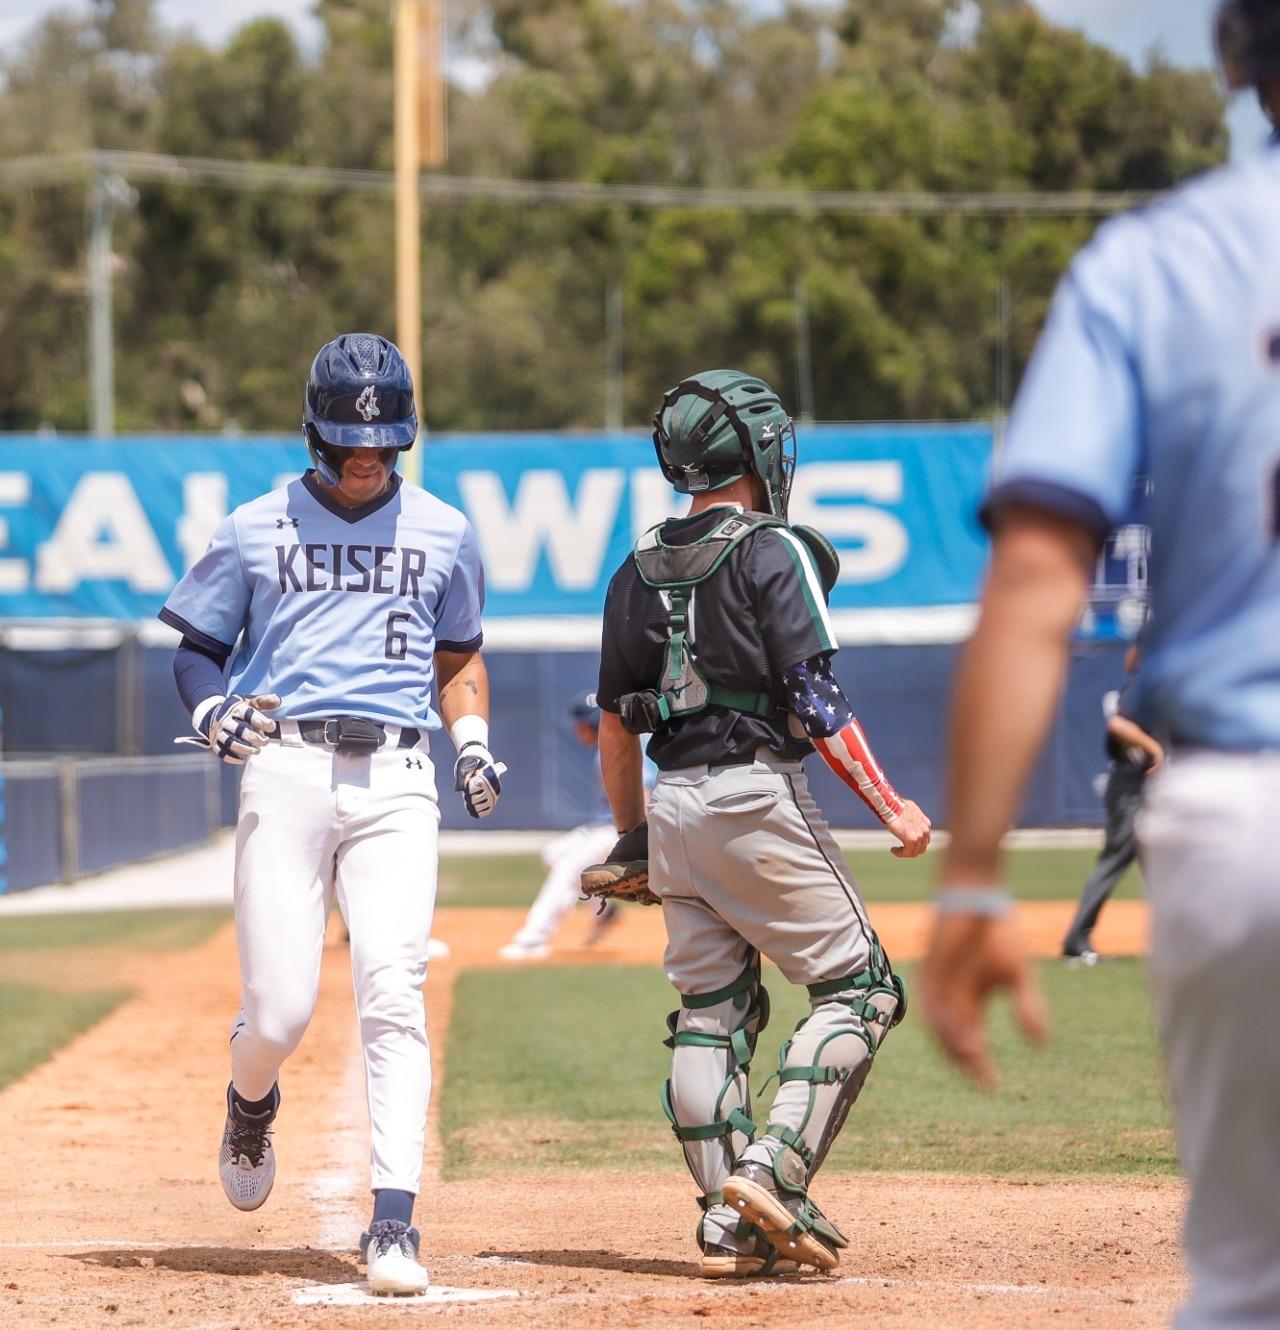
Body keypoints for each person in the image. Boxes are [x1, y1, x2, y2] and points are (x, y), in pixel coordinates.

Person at [923, 7, 1280, 1325]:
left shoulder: (1157, 263)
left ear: (1235, 58)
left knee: (1250, 1284)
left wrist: (970, 880)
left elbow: (1033, 581)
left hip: (1248, 818)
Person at [158, 332, 499, 1297]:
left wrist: (470, 742)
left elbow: (459, 657)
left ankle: (394, 1221)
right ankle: (249, 1095)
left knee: (394, 994)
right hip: (287, 763)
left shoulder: (444, 530)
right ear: (313, 433)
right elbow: (194, 647)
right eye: (351, 443)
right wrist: (210, 708)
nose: (366, 459)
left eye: (383, 443)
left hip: (398, 773)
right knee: (280, 1009)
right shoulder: (255, 526)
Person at [592, 370, 932, 1279]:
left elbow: (618, 737)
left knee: (711, 1012)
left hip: (671, 808)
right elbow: (816, 699)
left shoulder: (632, 567)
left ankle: (725, 1227)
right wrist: (891, 806)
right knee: (863, 991)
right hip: (754, 795)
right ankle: (771, 1169)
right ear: (752, 454)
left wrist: (634, 842)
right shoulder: (770, 549)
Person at [497, 691, 631, 962]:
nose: (575, 728)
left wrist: (636, 837)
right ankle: (605, 912)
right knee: (553, 853)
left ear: (594, 723)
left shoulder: (624, 744)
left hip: (620, 828)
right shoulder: (605, 746)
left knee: (571, 868)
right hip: (602, 826)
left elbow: (643, 792)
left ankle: (532, 940)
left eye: (581, 721)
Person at [1060, 646, 1162, 966]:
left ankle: (1181, 940)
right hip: (1131, 788)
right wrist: (1156, 750)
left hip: (1146, 788)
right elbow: (1118, 724)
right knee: (1116, 859)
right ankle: (1076, 941)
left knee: (1161, 866)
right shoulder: (1142, 686)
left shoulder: (1156, 688)